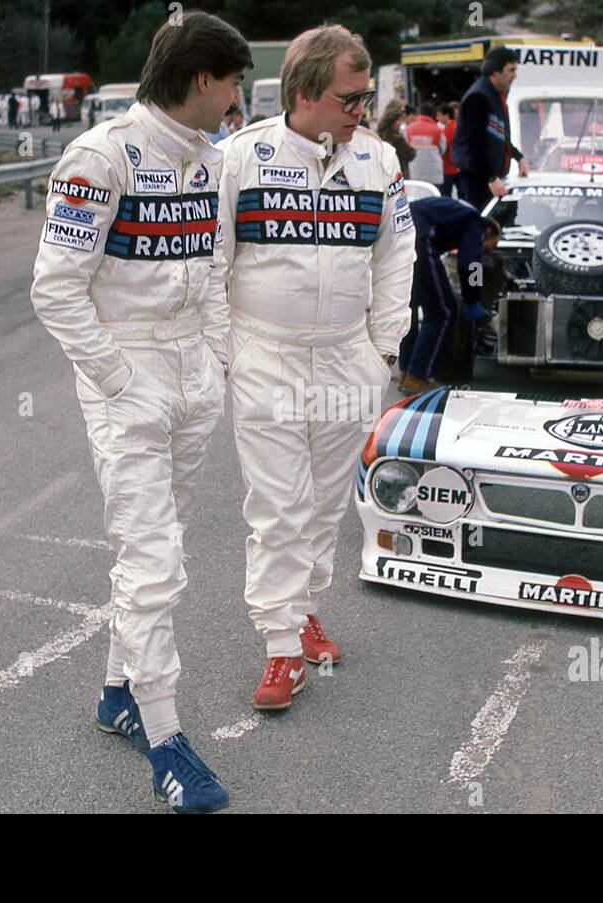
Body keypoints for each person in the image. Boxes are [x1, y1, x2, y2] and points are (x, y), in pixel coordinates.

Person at [30, 10, 251, 814]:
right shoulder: (100, 156)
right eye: (231, 84)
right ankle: (165, 740)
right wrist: (119, 379)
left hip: (194, 373)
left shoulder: (209, 160)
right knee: (153, 561)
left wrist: (219, 359)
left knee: (163, 547)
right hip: (131, 379)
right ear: (201, 80)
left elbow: (214, 264)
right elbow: (55, 287)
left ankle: (117, 691)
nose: (236, 101)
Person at [211, 24, 415, 711]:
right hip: (266, 354)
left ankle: (302, 609)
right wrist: (225, 353)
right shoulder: (239, 159)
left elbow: (396, 258)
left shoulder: (379, 163)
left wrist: (384, 349)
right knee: (278, 505)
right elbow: (210, 264)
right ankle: (280, 648)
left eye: (364, 99)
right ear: (303, 93)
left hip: (347, 358)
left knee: (326, 505)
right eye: (349, 99)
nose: (363, 110)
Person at [397, 196, 501, 393]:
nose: (487, 251)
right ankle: (417, 376)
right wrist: (472, 300)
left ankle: (406, 372)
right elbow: (471, 263)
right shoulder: (477, 223)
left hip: (402, 238)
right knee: (443, 311)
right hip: (421, 241)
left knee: (409, 311)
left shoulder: (460, 212)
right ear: (489, 232)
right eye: (490, 246)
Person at [452, 45, 528, 212]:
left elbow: (499, 137)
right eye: (511, 70)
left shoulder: (495, 95)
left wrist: (518, 156)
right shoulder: (479, 97)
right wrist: (491, 178)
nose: (515, 76)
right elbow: (475, 144)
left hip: (489, 178)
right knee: (479, 227)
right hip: (477, 181)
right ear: (495, 71)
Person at [406, 103, 446, 184]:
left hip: (414, 171)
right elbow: (443, 149)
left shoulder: (408, 129)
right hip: (433, 173)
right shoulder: (438, 129)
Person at [378, 98, 416, 178]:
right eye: (402, 111)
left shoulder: (382, 131)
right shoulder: (396, 137)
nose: (404, 114)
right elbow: (411, 154)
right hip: (398, 174)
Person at [436, 102, 458, 196]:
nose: (438, 118)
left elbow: (443, 147)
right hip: (458, 166)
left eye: (439, 116)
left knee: (446, 195)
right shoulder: (457, 126)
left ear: (446, 115)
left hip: (448, 167)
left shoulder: (448, 129)